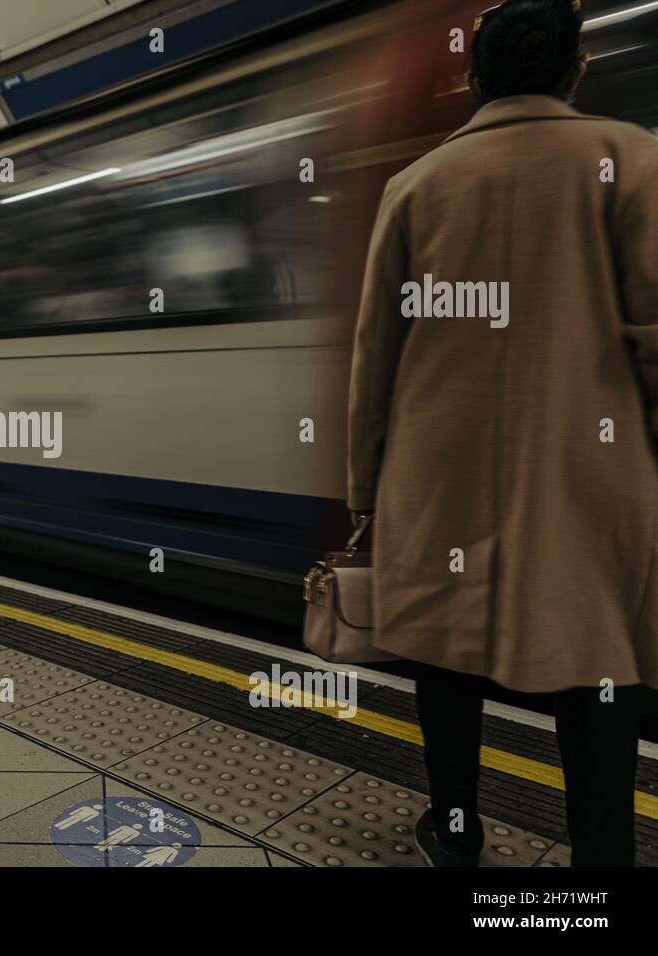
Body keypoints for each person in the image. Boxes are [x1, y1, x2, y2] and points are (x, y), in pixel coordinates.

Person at [347, 0, 658, 867]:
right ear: (578, 70)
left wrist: (367, 495)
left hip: (437, 472)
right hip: (589, 476)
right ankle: (600, 861)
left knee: (445, 659)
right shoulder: (632, 160)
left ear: (475, 78)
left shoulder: (414, 185)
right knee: (596, 662)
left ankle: (454, 831)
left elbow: (377, 357)